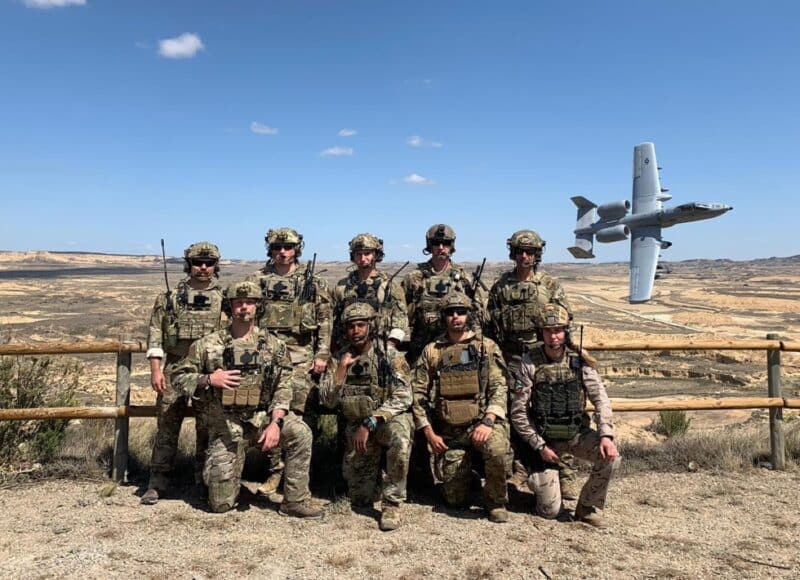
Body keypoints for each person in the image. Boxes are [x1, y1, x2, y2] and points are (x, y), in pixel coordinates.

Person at [169, 280, 322, 517]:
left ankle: (295, 500)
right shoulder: (207, 345)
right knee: (220, 505)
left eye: (249, 302)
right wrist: (208, 379)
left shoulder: (274, 345)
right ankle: (228, 481)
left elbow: (284, 386)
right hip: (226, 427)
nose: (244, 307)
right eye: (238, 302)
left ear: (258, 307)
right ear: (230, 307)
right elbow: (178, 377)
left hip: (261, 420)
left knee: (300, 433)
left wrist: (276, 422)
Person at [510, 304, 619, 528]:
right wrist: (539, 446)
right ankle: (536, 477)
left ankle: (587, 507)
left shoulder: (579, 361)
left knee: (612, 458)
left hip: (575, 434)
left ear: (566, 331)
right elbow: (519, 412)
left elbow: (600, 398)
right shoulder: (529, 363)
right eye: (549, 331)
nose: (554, 336)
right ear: (541, 333)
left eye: (558, 330)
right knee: (550, 512)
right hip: (544, 440)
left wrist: (606, 435)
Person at [487, 229, 577, 497]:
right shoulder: (501, 286)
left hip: (544, 357)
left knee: (556, 409)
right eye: (519, 251)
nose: (524, 256)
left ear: (537, 254)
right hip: (511, 358)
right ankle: (520, 469)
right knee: (517, 413)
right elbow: (490, 326)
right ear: (513, 253)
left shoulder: (550, 286)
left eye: (529, 251)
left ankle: (566, 472)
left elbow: (564, 321)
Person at [246, 227, 333, 494]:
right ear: (270, 249)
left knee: (300, 415)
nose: (282, 252)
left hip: (300, 360)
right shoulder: (257, 280)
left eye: (288, 247)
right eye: (277, 247)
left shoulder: (312, 282)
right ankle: (275, 471)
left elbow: (325, 321)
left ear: (297, 249)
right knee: (268, 413)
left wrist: (321, 355)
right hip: (265, 359)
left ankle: (300, 477)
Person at [411, 292, 510, 523]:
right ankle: (467, 476)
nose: (455, 317)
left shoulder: (486, 347)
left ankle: (496, 501)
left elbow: (499, 387)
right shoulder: (432, 350)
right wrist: (429, 433)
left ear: (468, 315)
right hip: (449, 431)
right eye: (450, 312)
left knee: (496, 448)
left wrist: (488, 421)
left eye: (461, 312)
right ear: (443, 317)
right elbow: (417, 395)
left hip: (482, 424)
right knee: (455, 501)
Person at [142, 241, 225, 505]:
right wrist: (156, 370)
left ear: (215, 266)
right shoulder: (169, 298)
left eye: (209, 263)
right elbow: (155, 335)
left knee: (206, 429)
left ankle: (202, 481)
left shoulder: (224, 299)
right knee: (167, 426)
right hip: (175, 369)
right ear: (189, 264)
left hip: (208, 372)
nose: (203, 267)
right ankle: (157, 482)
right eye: (198, 262)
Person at [319, 302, 414, 531]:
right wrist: (341, 368)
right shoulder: (338, 358)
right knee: (361, 498)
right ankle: (376, 481)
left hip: (384, 423)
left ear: (371, 327)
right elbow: (328, 401)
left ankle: (392, 503)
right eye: (351, 326)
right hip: (357, 428)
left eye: (361, 325)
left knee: (400, 438)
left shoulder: (389, 356)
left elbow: (404, 396)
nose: (356, 331)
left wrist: (373, 420)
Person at [402, 224, 487, 365]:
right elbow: (400, 312)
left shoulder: (463, 278)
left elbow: (476, 315)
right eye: (436, 243)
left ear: (451, 245)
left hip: (455, 347)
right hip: (421, 349)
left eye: (446, 243)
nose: (441, 247)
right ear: (430, 245)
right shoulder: (414, 278)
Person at [331, 233, 408, 351]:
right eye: (358, 254)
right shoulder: (342, 287)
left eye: (367, 254)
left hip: (379, 349)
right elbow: (333, 321)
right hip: (346, 349)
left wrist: (389, 346)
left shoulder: (389, 286)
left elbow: (400, 322)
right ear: (353, 256)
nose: (363, 259)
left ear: (376, 255)